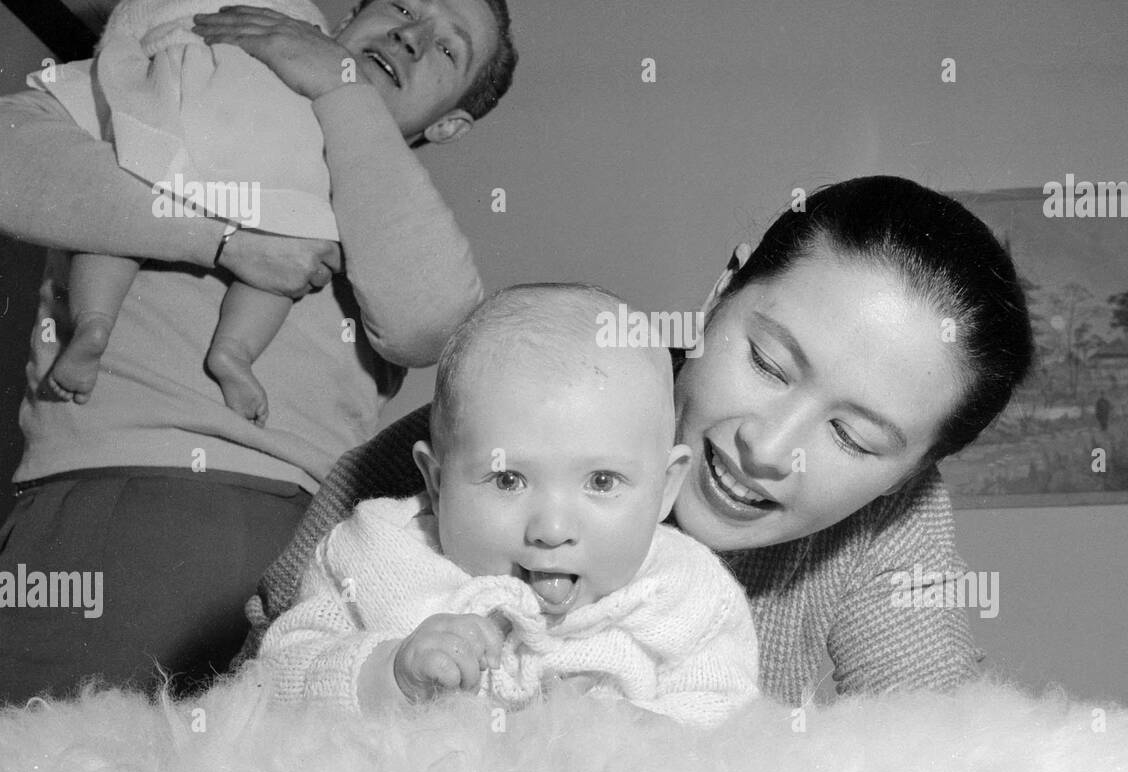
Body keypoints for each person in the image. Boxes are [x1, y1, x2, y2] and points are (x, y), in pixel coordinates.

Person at [245, 177, 1032, 707]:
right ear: (719, 292)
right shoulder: (520, 416)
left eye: (854, 439)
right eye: (766, 362)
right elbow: (264, 671)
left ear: (910, 476)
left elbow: (937, 746)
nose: (769, 446)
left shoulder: (896, 526)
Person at [0, 0, 519, 701]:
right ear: (344, 18)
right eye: (403, 8)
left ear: (448, 124)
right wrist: (224, 242)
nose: (413, 36)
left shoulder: (393, 196)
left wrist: (343, 93)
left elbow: (431, 325)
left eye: (448, 51)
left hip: (314, 551)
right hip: (123, 495)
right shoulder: (185, 77)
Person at [260, 284, 759, 729]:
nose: (552, 528)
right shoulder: (373, 554)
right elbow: (274, 680)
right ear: (437, 482)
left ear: (665, 489)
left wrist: (650, 736)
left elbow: (732, 718)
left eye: (602, 481)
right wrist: (387, 672)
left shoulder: (685, 591)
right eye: (508, 479)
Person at [39, 0, 339, 425]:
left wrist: (108, 109)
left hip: (181, 112)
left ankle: (94, 324)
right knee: (296, 236)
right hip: (271, 131)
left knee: (114, 223)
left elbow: (117, 54)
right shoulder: (300, 12)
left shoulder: (148, 2)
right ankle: (235, 352)